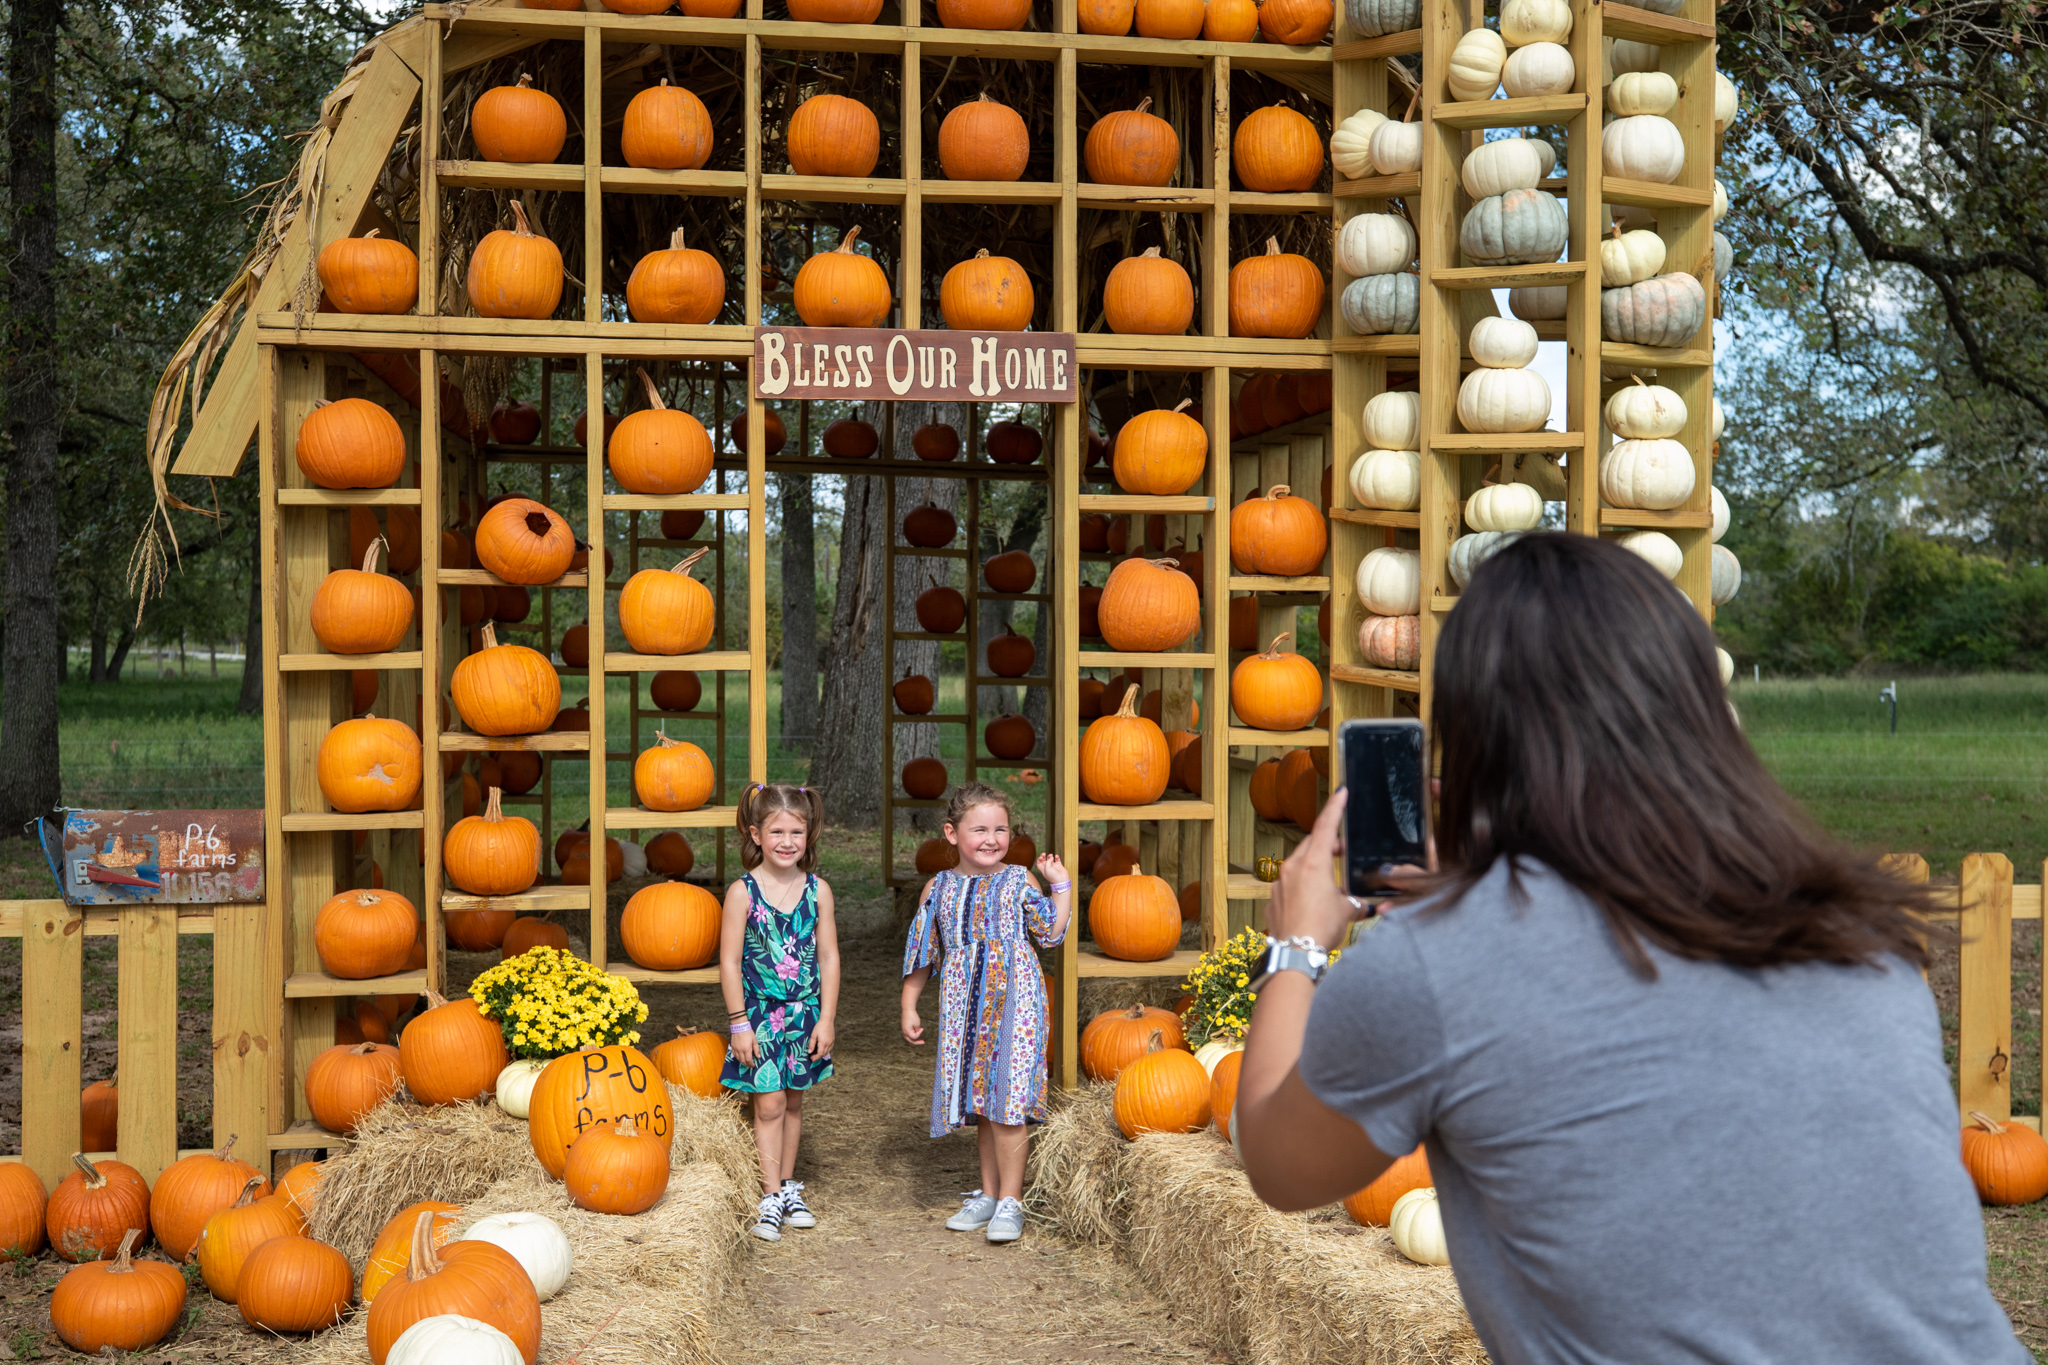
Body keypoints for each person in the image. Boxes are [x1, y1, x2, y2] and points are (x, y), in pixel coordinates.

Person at [1234, 533, 2030, 1364]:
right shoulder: (1858, 932)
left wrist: (1296, 945)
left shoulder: (1435, 963)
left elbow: (1282, 1165)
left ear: (1475, 738)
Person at [902, 782, 1073, 1244]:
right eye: (980, 829)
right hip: (964, 1006)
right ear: (952, 833)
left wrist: (1061, 886)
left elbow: (1051, 934)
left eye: (1001, 829)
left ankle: (1012, 1202)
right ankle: (990, 1195)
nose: (992, 838)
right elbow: (923, 950)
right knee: (983, 1105)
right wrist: (909, 1003)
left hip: (1016, 1003)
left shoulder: (1019, 879)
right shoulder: (938, 888)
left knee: (1009, 1100)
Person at [720, 782, 839, 1244]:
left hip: (805, 1015)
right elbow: (729, 961)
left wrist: (826, 1018)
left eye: (797, 831)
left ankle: (788, 1186)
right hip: (759, 1018)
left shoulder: (818, 891)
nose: (787, 842)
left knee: (792, 1100)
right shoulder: (742, 892)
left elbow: (828, 957)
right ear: (755, 834)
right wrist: (738, 1022)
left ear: (809, 835)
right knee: (767, 1103)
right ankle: (768, 1195)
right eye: (777, 832)